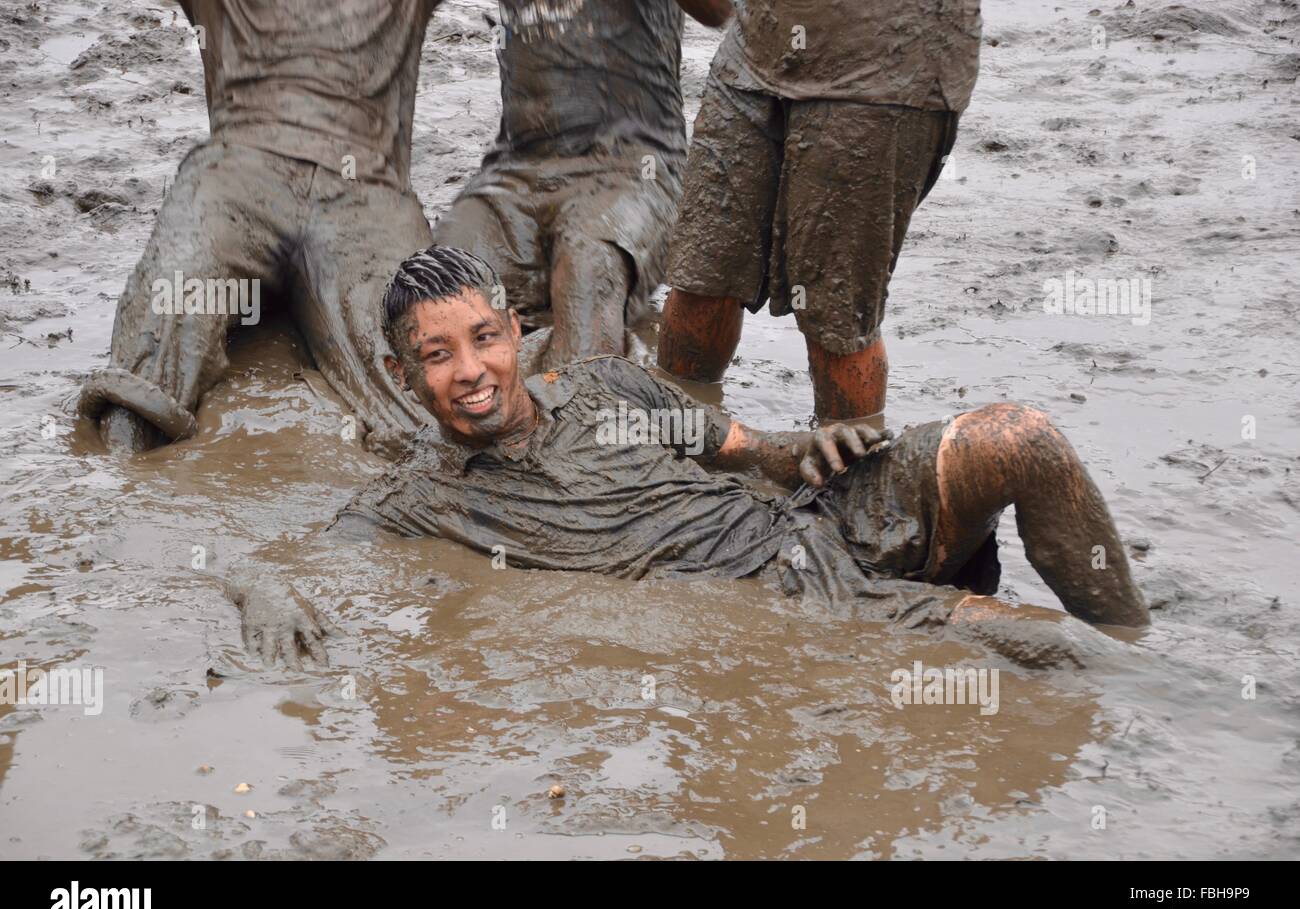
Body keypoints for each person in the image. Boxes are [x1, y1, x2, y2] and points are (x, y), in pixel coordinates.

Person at [226, 247, 1149, 668]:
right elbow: (283, 555)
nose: (471, 372)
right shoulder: (417, 500)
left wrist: (816, 445)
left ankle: (1137, 633)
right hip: (787, 593)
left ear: (515, 329)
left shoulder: (602, 387)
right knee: (1041, 643)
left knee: (1019, 438)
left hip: (818, 518)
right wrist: (257, 589)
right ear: (401, 373)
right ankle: (1170, 699)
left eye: (484, 338)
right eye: (438, 356)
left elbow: (759, 453)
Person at [77, 0, 444, 457]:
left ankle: (439, 491)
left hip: (365, 191)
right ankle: (122, 480)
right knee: (165, 310)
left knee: (420, 355)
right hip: (237, 179)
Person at [656, 0, 983, 419]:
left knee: (836, 314)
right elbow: (715, 11)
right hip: (757, 46)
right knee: (701, 278)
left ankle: (845, 479)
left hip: (882, 65)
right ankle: (676, 448)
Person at [432, 0, 733, 366]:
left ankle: (584, 407)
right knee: (441, 283)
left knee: (590, 265)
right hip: (513, 173)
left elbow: (720, 12)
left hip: (631, 169)